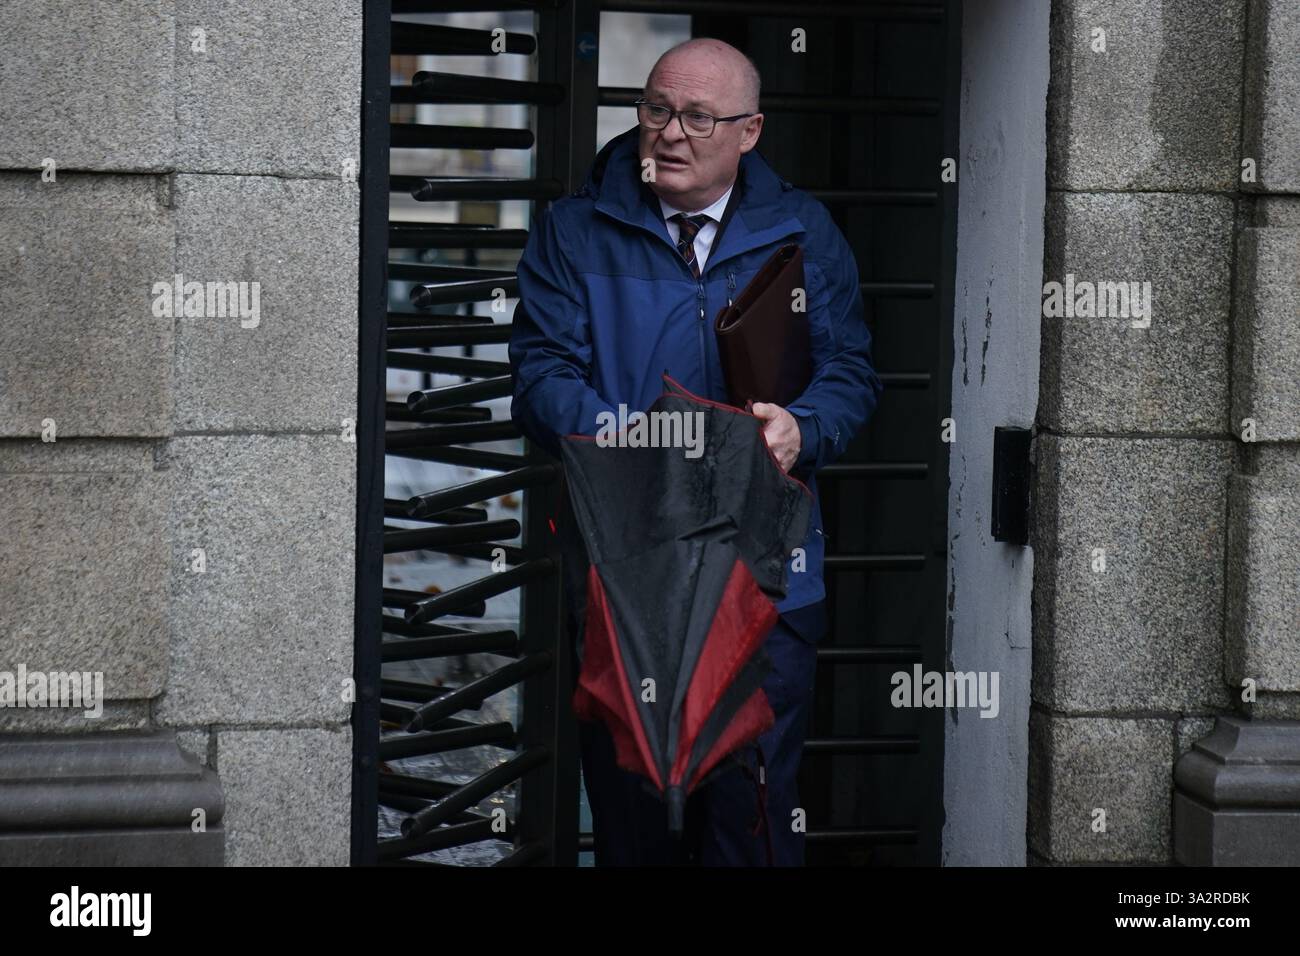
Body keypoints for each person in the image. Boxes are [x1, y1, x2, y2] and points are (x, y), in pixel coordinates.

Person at [508, 37, 883, 865]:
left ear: (748, 132)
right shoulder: (576, 232)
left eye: (698, 117)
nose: (669, 133)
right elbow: (540, 379)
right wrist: (635, 442)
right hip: (627, 573)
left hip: (767, 570)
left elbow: (850, 371)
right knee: (633, 811)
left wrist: (804, 426)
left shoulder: (802, 231)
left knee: (750, 813)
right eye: (656, 110)